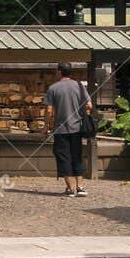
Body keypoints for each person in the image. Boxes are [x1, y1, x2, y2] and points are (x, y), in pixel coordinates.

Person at [44, 64, 92, 197]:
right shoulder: (79, 86)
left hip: (60, 129)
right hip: (77, 128)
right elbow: (89, 105)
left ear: (59, 72)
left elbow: (49, 110)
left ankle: (70, 188)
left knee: (63, 156)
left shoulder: (53, 88)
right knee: (77, 156)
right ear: (70, 72)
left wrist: (46, 126)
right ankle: (80, 187)